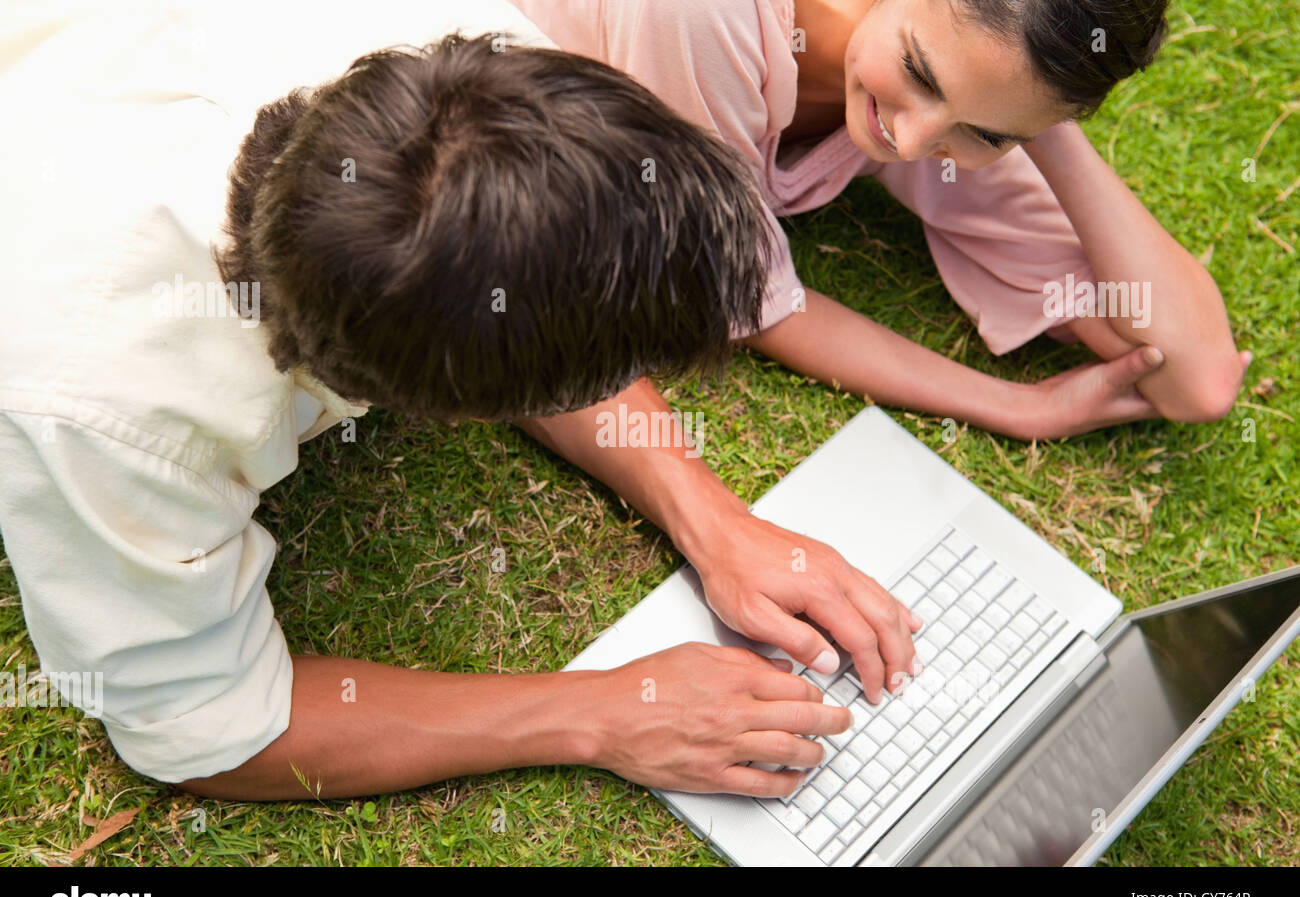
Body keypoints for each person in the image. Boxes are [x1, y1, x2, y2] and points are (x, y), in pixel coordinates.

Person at [0, 0, 892, 801]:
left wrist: (713, 520)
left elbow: (528, 262)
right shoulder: (111, 416)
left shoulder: (478, 70)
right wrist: (601, 713)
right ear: (455, 411)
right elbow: (215, 726)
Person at [510, 0, 1250, 440]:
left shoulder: (960, 92)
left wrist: (1041, 117)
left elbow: (1201, 381)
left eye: (988, 133)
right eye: (920, 72)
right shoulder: (704, 18)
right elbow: (746, 294)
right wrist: (1017, 407)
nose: (915, 140)